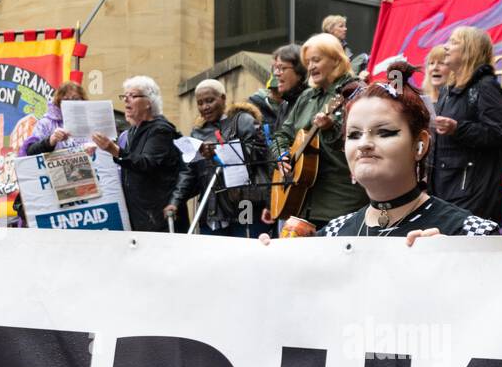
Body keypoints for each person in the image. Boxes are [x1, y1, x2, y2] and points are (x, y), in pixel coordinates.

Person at [319, 63, 499, 238]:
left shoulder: (469, 233)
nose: (363, 144)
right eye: (353, 135)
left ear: (420, 144)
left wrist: (450, 261)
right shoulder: (332, 234)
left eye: (384, 132)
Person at [270, 33, 367, 228]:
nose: (311, 66)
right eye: (308, 62)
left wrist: (333, 127)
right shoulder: (306, 96)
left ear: (336, 60)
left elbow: (364, 140)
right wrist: (281, 156)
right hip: (301, 203)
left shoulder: (357, 92)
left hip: (340, 202)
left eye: (316, 60)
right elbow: (281, 135)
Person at [164, 78, 270, 236]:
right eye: (200, 103)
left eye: (209, 101)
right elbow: (189, 172)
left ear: (223, 98)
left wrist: (218, 152)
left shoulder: (243, 121)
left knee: (245, 253)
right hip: (212, 209)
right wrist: (175, 201)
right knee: (214, 257)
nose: (204, 107)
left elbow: (261, 152)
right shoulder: (197, 133)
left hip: (244, 203)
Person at [430, 25, 502, 224]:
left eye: (454, 42)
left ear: (469, 50)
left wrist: (457, 128)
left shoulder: (485, 86)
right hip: (446, 186)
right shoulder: (448, 91)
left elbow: (497, 132)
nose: (446, 47)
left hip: (472, 191)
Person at [91, 76, 180, 233]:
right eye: (124, 96)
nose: (126, 101)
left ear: (149, 102)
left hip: (157, 216)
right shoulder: (132, 131)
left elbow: (146, 163)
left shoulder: (160, 130)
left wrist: (113, 150)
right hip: (138, 214)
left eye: (132, 96)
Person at [20, 80, 89, 156]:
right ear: (58, 102)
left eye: (75, 99)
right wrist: (51, 140)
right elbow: (30, 152)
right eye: (66, 100)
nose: (70, 103)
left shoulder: (90, 122)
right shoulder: (46, 123)